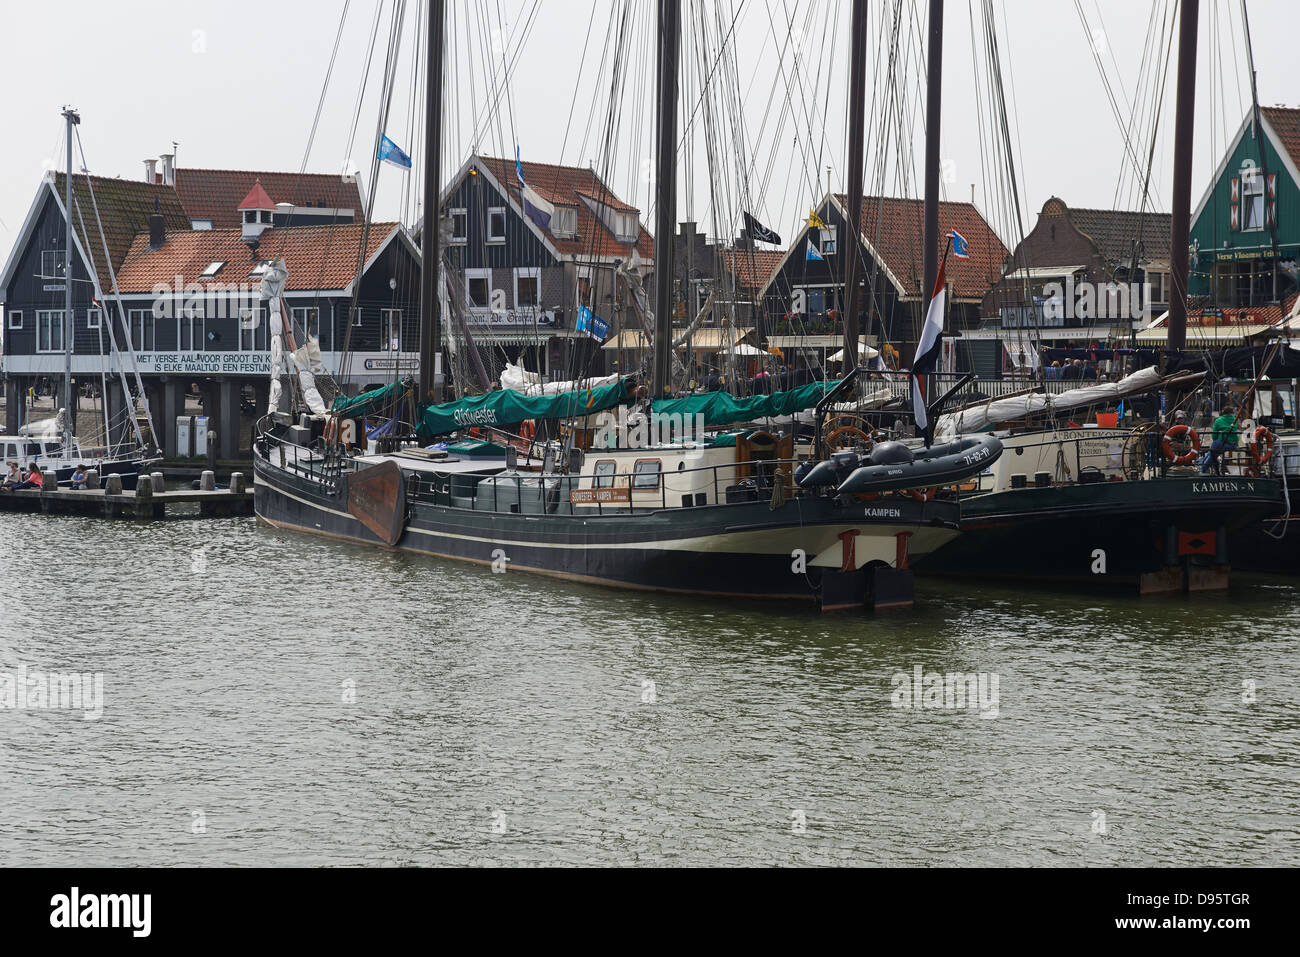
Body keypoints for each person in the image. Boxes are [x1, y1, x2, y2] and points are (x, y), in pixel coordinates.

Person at [1201, 407, 1239, 475]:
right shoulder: (1235, 420)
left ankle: (1203, 468)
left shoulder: (1218, 421)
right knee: (1212, 452)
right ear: (1232, 413)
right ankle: (1208, 467)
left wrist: (1217, 440)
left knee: (1212, 451)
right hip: (1233, 444)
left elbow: (1214, 436)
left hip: (1222, 442)